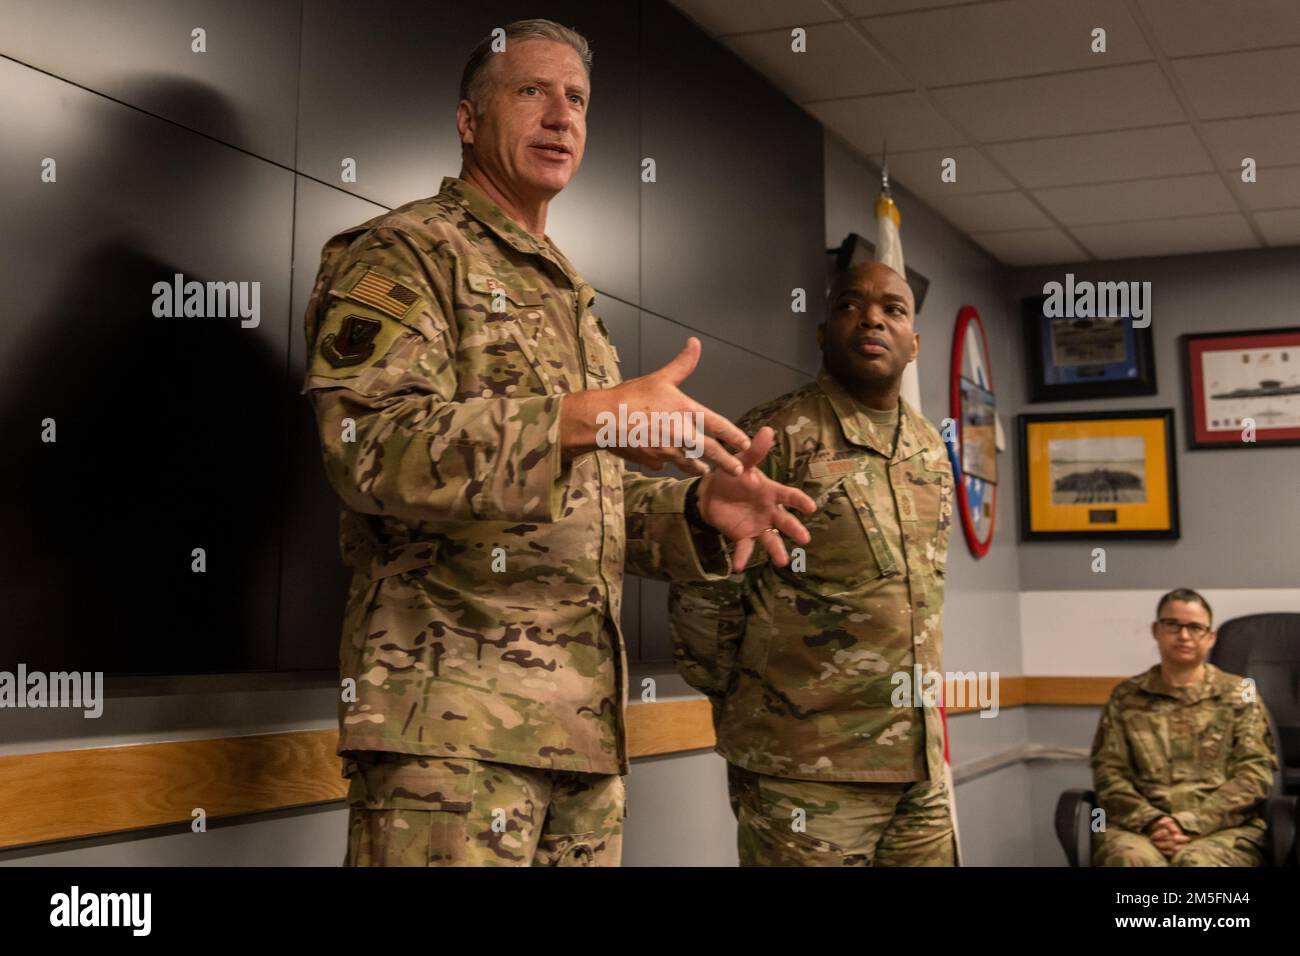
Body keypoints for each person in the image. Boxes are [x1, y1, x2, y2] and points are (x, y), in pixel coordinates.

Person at [300, 18, 815, 867]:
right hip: (451, 729)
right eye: (531, 91)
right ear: (469, 119)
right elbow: (367, 446)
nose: (561, 116)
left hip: (581, 733)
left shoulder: (568, 293)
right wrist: (589, 415)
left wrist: (697, 509)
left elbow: (584, 500)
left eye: (577, 99)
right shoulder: (404, 251)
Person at [670, 261, 956, 866]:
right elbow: (707, 587)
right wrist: (752, 703)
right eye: (851, 305)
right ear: (824, 333)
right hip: (804, 767)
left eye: (893, 309)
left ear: (915, 345)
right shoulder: (780, 434)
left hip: (918, 766)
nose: (873, 317)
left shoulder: (930, 447)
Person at [1091, 588, 1277, 866]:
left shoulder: (1240, 694)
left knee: (1196, 863)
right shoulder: (1126, 697)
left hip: (1222, 829)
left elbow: (1255, 773)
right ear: (1156, 630)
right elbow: (1109, 773)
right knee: (1131, 859)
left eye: (1195, 627)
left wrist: (1191, 823)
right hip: (1140, 829)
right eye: (1173, 625)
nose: (1184, 635)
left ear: (1210, 637)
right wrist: (1153, 822)